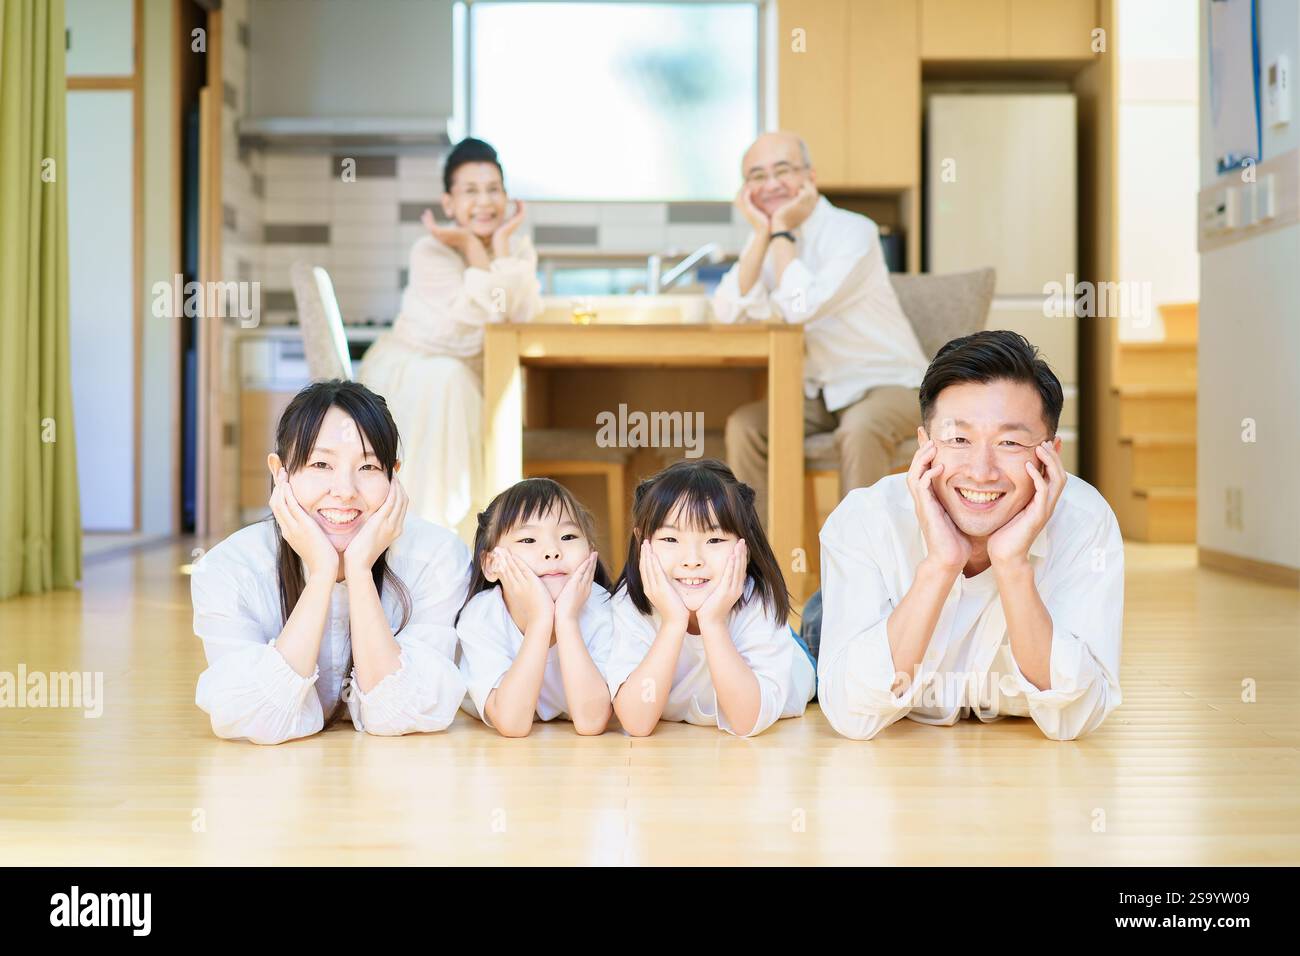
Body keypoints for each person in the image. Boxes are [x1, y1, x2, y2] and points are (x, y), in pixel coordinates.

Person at [817, 331, 1124, 741]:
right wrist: (940, 565)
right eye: (958, 439)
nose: (981, 472)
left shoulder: (1085, 522)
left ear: (1050, 454)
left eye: (1010, 442)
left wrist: (1012, 565)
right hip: (843, 619)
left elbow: (1078, 715)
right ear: (924, 446)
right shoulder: (865, 519)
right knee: (804, 651)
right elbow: (850, 713)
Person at [192, 380, 470, 744]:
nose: (344, 491)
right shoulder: (229, 569)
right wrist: (322, 574)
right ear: (280, 473)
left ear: (393, 475)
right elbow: (257, 719)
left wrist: (359, 571)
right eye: (321, 464)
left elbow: (401, 714)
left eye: (368, 467)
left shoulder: (437, 558)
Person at [713, 130, 930, 523]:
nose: (771, 184)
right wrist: (762, 233)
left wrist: (780, 231)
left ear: (810, 177)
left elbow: (800, 307)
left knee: (860, 429)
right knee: (746, 426)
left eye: (783, 170)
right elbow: (729, 312)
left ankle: (858, 556)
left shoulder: (853, 231)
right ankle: (758, 552)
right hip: (822, 392)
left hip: (890, 383)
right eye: (757, 176)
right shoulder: (767, 239)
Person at [358, 137, 542, 544]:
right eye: (471, 191)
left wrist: (489, 248)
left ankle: (480, 534)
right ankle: (433, 535)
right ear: (449, 203)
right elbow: (472, 332)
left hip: (480, 377)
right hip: (414, 368)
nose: (485, 201)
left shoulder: (517, 249)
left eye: (493, 189)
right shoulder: (430, 250)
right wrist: (475, 249)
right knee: (448, 378)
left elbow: (517, 317)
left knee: (461, 382)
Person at [606, 459, 816, 737]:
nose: (692, 560)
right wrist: (673, 624)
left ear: (745, 546)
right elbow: (637, 722)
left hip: (793, 657)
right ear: (642, 542)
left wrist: (713, 623)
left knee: (820, 639)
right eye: (670, 539)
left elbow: (746, 721)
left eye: (714, 540)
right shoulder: (630, 603)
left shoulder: (756, 600)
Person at [456, 479, 615, 737]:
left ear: (590, 553)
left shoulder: (604, 609)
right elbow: (512, 724)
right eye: (528, 539)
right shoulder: (482, 617)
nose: (552, 551)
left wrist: (566, 621)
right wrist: (541, 619)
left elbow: (592, 722)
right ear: (491, 564)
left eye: (568, 536)